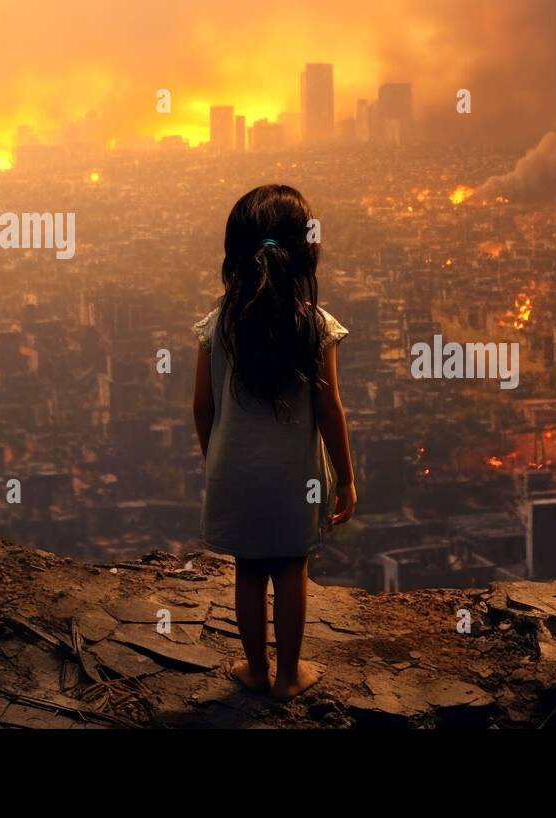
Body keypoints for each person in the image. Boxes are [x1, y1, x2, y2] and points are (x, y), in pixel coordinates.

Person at [191, 184, 356, 701]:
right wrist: (346, 477)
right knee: (290, 568)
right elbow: (330, 409)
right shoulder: (313, 325)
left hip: (235, 471)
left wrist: (215, 456)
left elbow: (202, 405)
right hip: (296, 479)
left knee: (248, 569)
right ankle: (289, 676)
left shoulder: (218, 325)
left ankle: (255, 670)